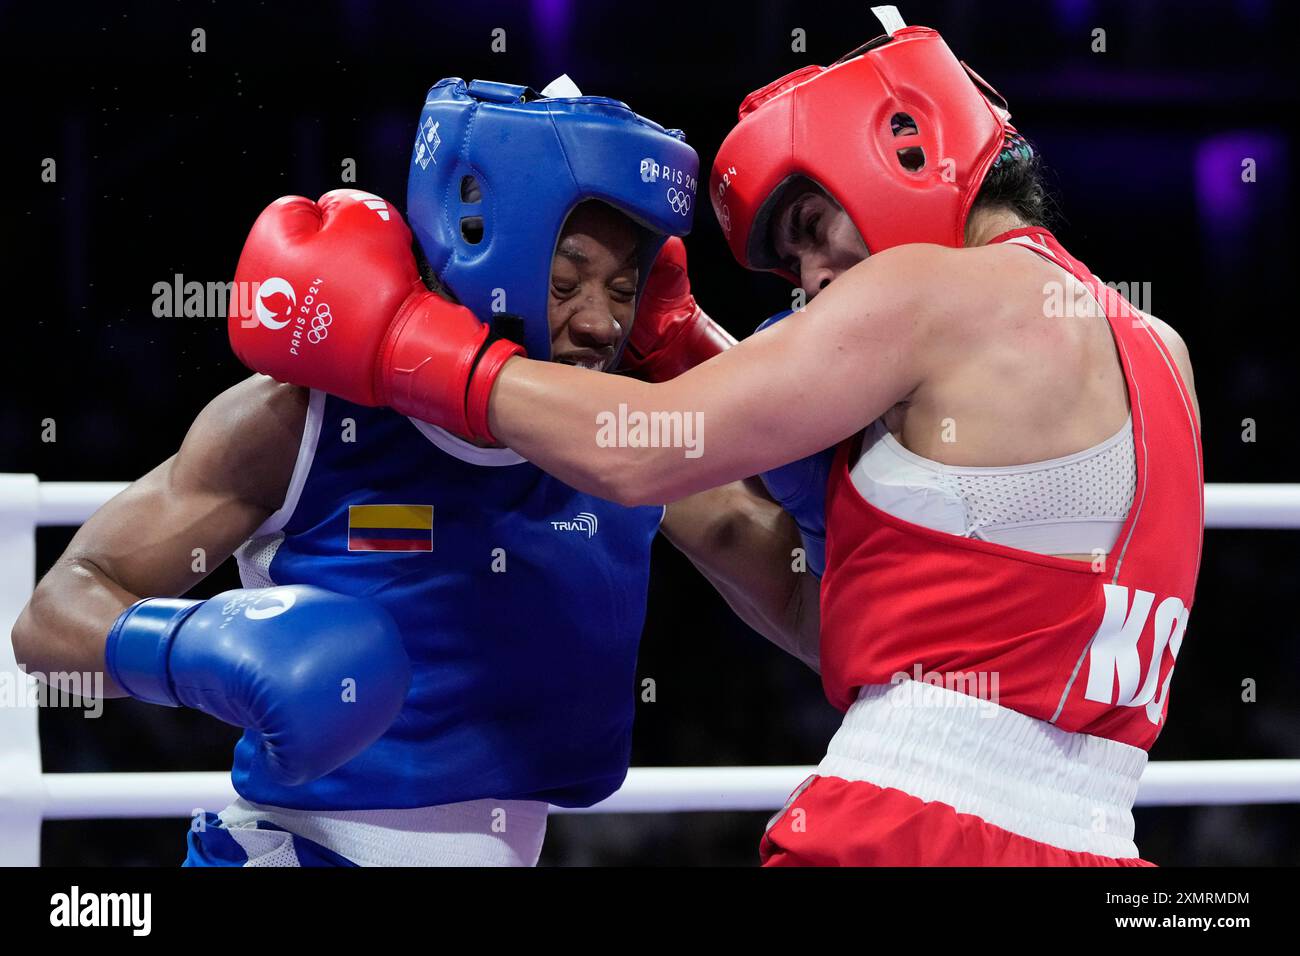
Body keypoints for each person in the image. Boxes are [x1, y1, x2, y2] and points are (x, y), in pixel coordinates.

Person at [230, 9, 1203, 866]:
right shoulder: (1157, 351)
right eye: (795, 258)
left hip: (909, 816)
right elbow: (847, 617)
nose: (814, 277)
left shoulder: (929, 291)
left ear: (904, 143)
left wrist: (404, 342)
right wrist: (695, 352)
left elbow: (635, 447)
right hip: (1091, 831)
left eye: (814, 227)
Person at [11, 76, 811, 866]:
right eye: (564, 284)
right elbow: (50, 619)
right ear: (480, 248)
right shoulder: (305, 417)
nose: (600, 322)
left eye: (626, 289)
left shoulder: (636, 441)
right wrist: (191, 650)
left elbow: (811, 613)